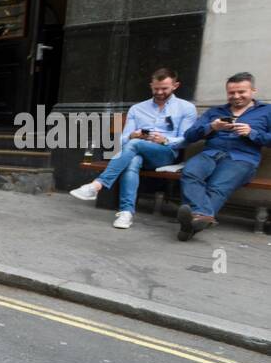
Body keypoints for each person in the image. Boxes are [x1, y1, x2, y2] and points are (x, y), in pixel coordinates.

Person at [68, 68, 198, 228]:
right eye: (156, 88)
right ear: (151, 85)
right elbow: (123, 139)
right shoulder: (137, 109)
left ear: (175, 86)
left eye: (164, 88)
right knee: (133, 160)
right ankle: (126, 213)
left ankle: (98, 185)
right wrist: (132, 136)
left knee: (134, 147)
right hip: (135, 152)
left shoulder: (186, 108)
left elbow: (186, 139)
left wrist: (165, 140)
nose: (159, 92)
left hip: (165, 154)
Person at [174, 72, 270, 240]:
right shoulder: (215, 112)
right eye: (231, 93)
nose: (236, 96)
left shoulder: (267, 111)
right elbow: (189, 136)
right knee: (190, 172)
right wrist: (211, 127)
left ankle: (189, 226)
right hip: (211, 153)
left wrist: (252, 133)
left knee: (217, 186)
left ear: (253, 91)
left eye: (241, 92)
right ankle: (201, 217)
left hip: (242, 158)